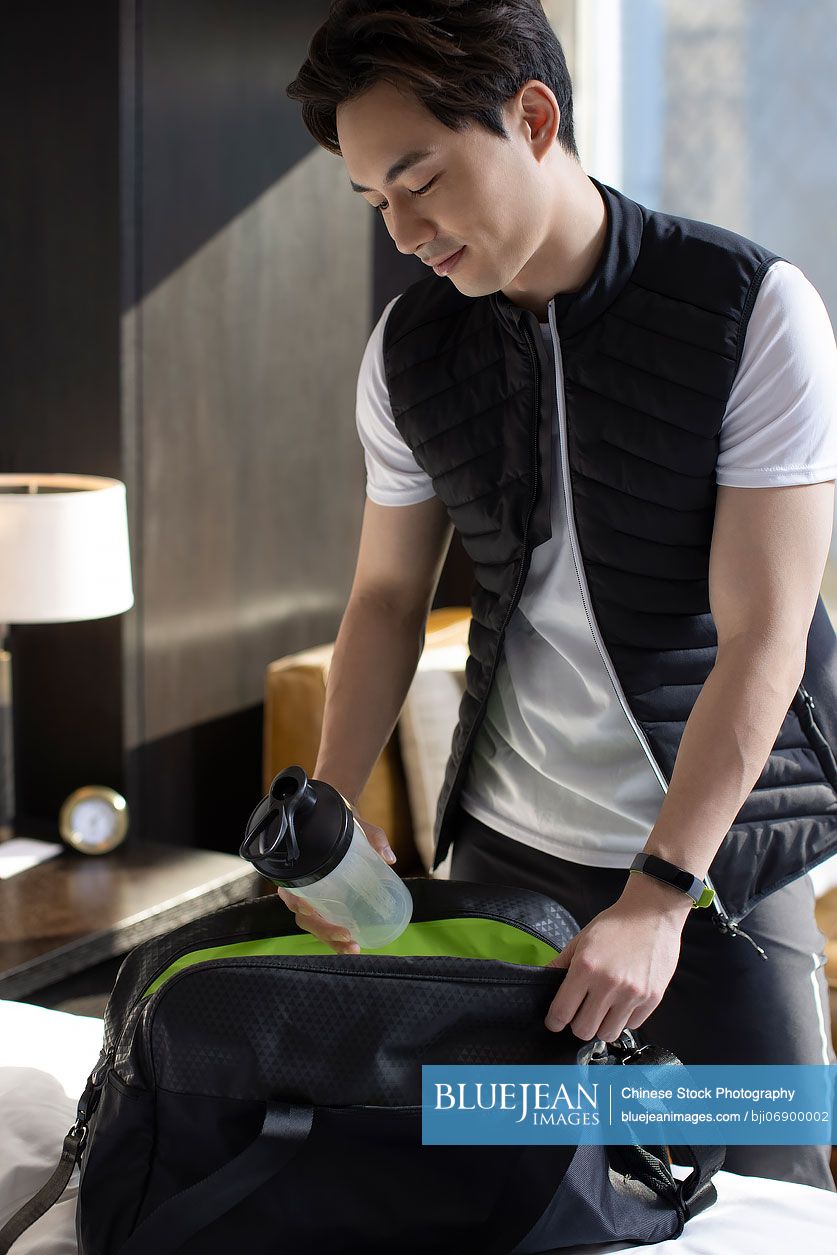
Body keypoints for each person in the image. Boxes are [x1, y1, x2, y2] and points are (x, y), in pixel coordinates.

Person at [282, 0, 837, 1190]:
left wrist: (660, 895)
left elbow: (765, 638)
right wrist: (331, 809)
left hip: (717, 873)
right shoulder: (410, 351)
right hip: (504, 863)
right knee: (512, 1194)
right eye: (376, 201)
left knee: (770, 1200)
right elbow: (385, 598)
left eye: (420, 179)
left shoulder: (752, 311)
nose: (405, 229)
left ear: (534, 117)